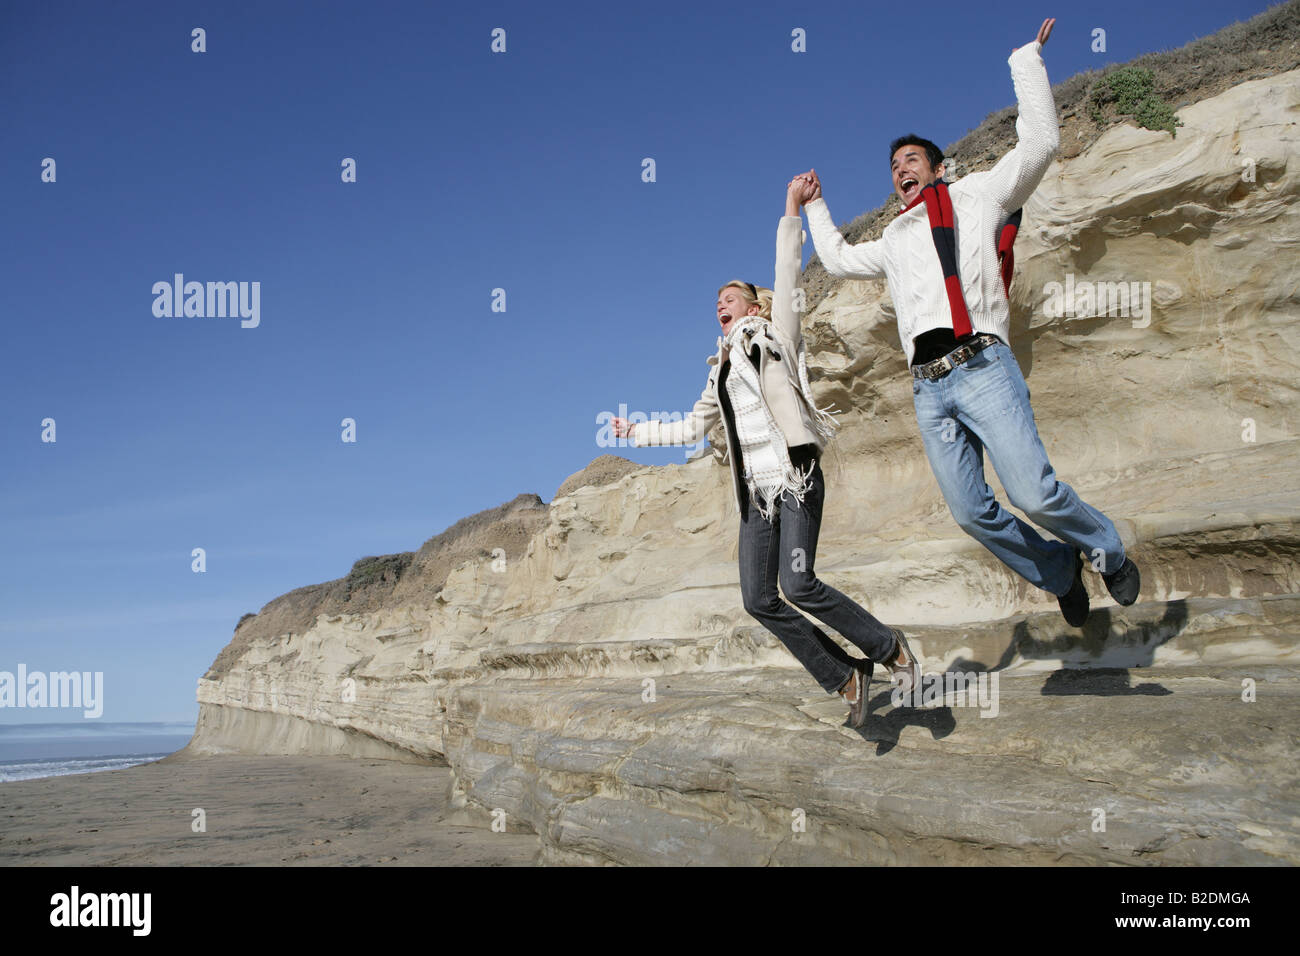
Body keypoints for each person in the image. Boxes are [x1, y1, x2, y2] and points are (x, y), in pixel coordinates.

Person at [796, 17, 1140, 628]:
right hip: (928, 386)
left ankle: (1106, 549)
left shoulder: (976, 195)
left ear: (936, 166)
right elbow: (840, 261)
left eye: (910, 159)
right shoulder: (895, 237)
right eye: (893, 165)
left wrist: (1025, 61)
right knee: (969, 511)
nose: (900, 168)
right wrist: (815, 205)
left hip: (980, 363)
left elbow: (1038, 145)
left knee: (1032, 493)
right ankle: (1059, 572)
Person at [611, 176, 920, 727]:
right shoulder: (720, 371)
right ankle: (846, 677)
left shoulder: (778, 334)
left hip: (795, 475)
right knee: (759, 598)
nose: (719, 306)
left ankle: (889, 648)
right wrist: (634, 431)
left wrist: (790, 207)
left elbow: (786, 268)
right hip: (757, 495)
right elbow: (688, 429)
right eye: (716, 303)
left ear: (754, 304)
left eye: (729, 298)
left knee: (799, 583)